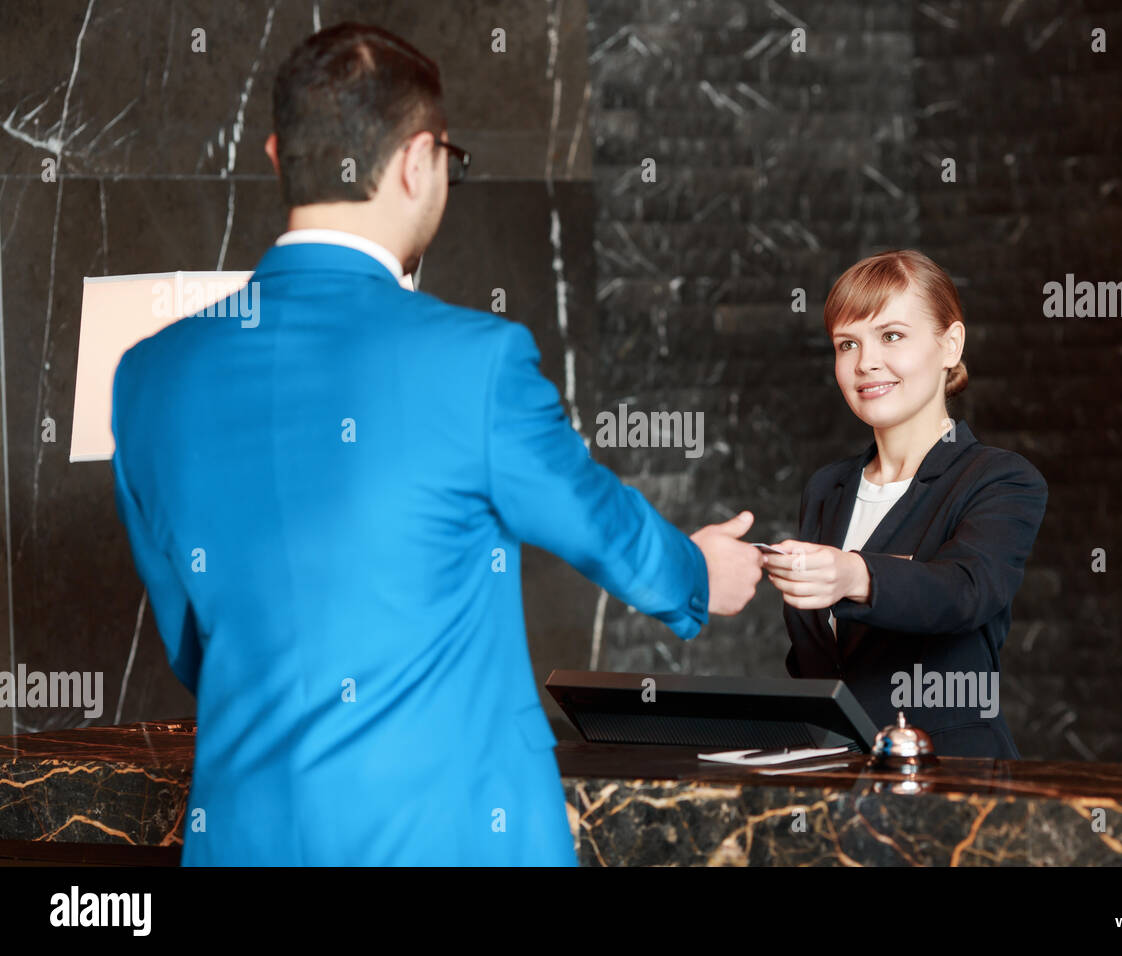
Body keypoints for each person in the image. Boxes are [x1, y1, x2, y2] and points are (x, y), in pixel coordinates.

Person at [109, 22, 761, 866]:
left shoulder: (150, 374)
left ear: (278, 155)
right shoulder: (475, 360)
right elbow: (594, 519)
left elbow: (193, 641)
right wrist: (698, 575)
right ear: (419, 161)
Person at [762, 250, 1048, 758]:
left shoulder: (1000, 478)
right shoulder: (827, 488)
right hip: (830, 782)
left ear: (949, 345)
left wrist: (855, 574)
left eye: (891, 336)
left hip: (952, 778)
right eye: (847, 343)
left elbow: (964, 591)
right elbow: (814, 662)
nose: (865, 361)